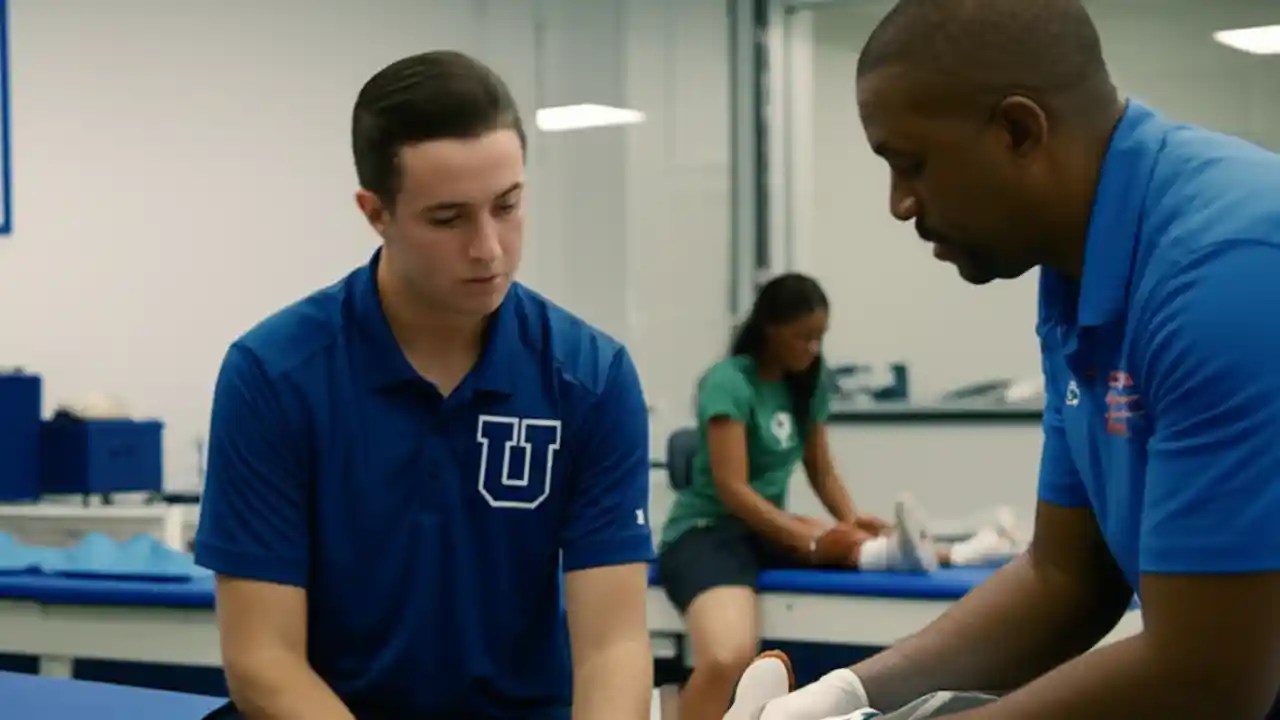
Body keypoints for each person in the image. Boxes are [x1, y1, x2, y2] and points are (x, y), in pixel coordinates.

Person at [727, 0, 1280, 718]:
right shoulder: (1079, 274)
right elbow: (1066, 577)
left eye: (910, 163)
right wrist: (851, 692)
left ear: (1020, 131)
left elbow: (1210, 679)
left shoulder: (1226, 274)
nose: (899, 203)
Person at [193, 51, 654, 719]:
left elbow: (612, 647)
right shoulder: (274, 377)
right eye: (449, 219)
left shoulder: (591, 378)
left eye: (508, 206)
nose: (489, 248)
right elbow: (263, 660)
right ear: (375, 212)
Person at [655, 273, 1018, 720]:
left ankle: (953, 552)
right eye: (803, 337)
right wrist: (803, 536)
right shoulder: (729, 382)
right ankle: (894, 549)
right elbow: (733, 490)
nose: (812, 349)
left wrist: (849, 521)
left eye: (819, 339)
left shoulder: (806, 383)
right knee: (727, 656)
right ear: (770, 328)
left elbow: (822, 470)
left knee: (841, 536)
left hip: (762, 529)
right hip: (709, 532)